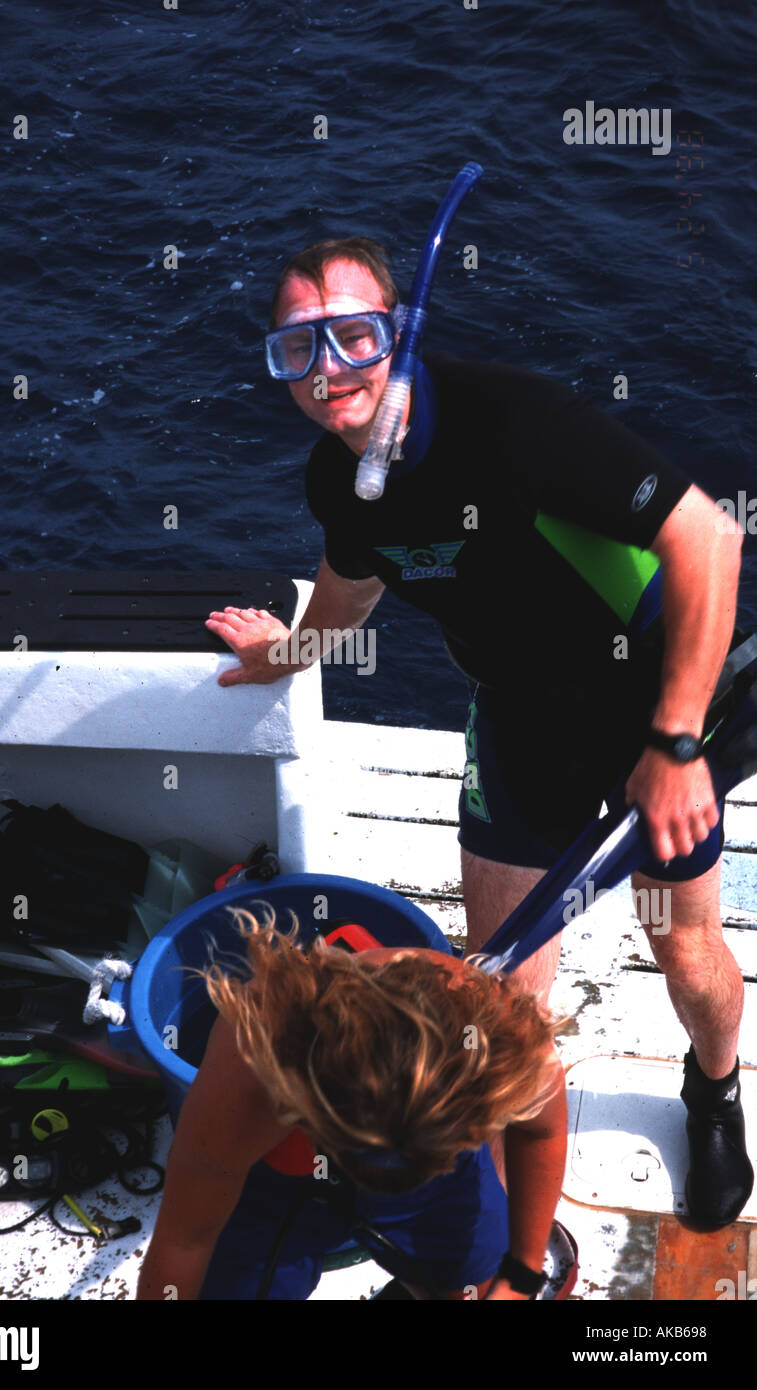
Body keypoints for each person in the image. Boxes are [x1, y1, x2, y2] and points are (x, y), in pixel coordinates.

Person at [205, 237, 753, 1232]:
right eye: (297, 350)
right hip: (516, 720)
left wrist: (674, 745)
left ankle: (713, 1094)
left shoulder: (512, 421)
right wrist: (283, 656)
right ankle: (502, 1197)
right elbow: (349, 592)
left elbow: (707, 537)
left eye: (353, 336)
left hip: (649, 710)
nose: (328, 371)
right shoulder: (339, 482)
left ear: (398, 331)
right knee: (498, 978)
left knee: (683, 950)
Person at [137, 908, 566, 1300]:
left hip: (432, 1161)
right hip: (277, 1175)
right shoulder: (249, 1057)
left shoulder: (492, 1035)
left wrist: (524, 1270)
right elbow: (184, 1240)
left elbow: (543, 1128)